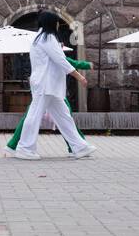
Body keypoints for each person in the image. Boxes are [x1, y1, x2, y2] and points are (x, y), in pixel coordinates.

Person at [13, 12, 95, 160]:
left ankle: (79, 146)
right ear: (52, 24)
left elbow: (57, 60)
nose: (58, 25)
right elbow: (61, 60)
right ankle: (25, 148)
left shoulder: (40, 38)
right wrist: (79, 76)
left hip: (48, 86)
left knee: (64, 117)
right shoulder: (48, 38)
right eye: (57, 22)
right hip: (46, 85)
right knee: (34, 116)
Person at [5, 57, 91, 156]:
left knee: (62, 120)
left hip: (50, 90)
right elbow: (69, 63)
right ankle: (78, 147)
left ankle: (78, 147)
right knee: (65, 120)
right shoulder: (52, 52)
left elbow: (69, 63)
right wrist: (84, 70)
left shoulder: (47, 54)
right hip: (50, 89)